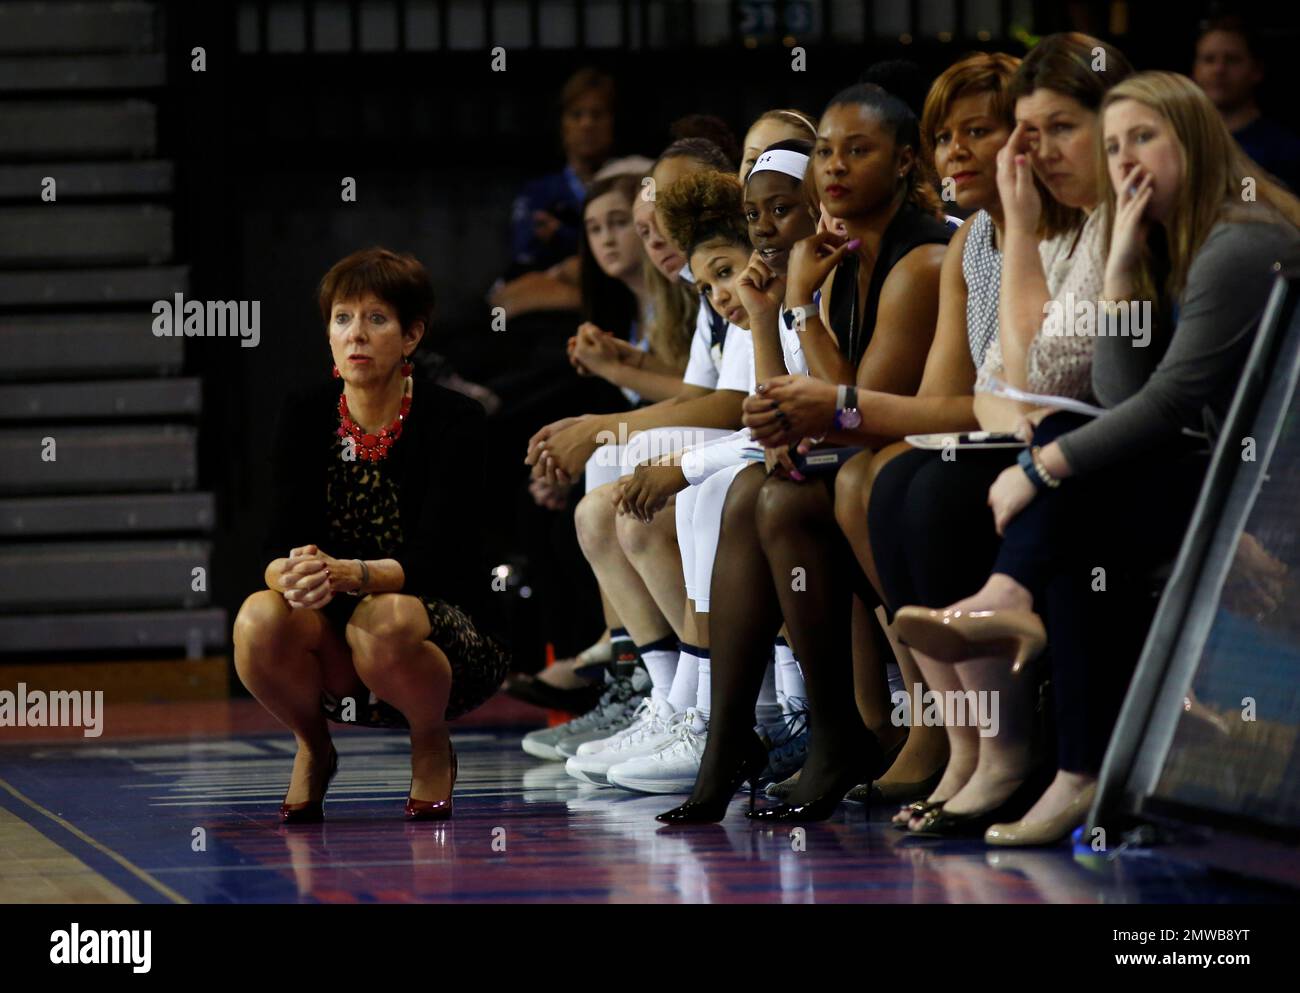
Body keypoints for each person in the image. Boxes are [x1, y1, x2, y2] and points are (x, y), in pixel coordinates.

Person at [896, 71, 1300, 845]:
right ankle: (1080, 772)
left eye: (1144, 138)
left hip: (1270, 491)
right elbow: (1121, 389)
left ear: (1196, 138)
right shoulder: (1163, 236)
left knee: (1062, 473)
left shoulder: (1240, 241)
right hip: (1222, 474)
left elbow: (1169, 402)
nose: (1127, 161)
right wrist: (1120, 268)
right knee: (1075, 536)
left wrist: (1044, 468)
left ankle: (1013, 611)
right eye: (1115, 146)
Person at [860, 33, 1134, 836]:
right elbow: (991, 386)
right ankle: (965, 740)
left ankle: (1010, 743)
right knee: (893, 485)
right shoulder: (988, 235)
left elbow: (1048, 379)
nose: (1029, 150)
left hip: (1112, 447)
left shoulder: (1091, 220)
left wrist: (1029, 431)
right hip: (1037, 428)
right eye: (946, 134)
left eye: (985, 130)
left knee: (934, 490)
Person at [658, 81, 952, 824]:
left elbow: (857, 407)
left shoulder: (916, 259)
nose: (837, 166)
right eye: (827, 150)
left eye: (859, 150)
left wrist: (795, 311)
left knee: (776, 496)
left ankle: (831, 731)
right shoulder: (843, 258)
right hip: (869, 454)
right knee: (754, 491)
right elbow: (802, 409)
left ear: (905, 160)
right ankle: (741, 739)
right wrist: (771, 314)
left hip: (930, 463)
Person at [233, 248, 509, 823]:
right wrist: (292, 574)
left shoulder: (456, 419)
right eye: (343, 318)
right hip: (337, 634)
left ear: (411, 336)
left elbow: (448, 558)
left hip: (443, 631)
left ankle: (429, 740)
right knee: (259, 617)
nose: (356, 334)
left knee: (384, 618)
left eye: (377, 319)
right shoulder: (304, 412)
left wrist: (355, 574)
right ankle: (313, 745)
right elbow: (271, 543)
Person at [491, 68, 616, 318]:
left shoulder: (628, 181)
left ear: (613, 122)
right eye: (577, 115)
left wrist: (561, 236)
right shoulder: (538, 191)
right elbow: (525, 252)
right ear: (563, 125)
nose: (587, 124)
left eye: (597, 114)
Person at [1192, 14, 1300, 191]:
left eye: (1232, 60)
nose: (1219, 69)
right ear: (1194, 71)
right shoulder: (1181, 142)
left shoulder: (1284, 149)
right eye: (1209, 59)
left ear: (1256, 70)